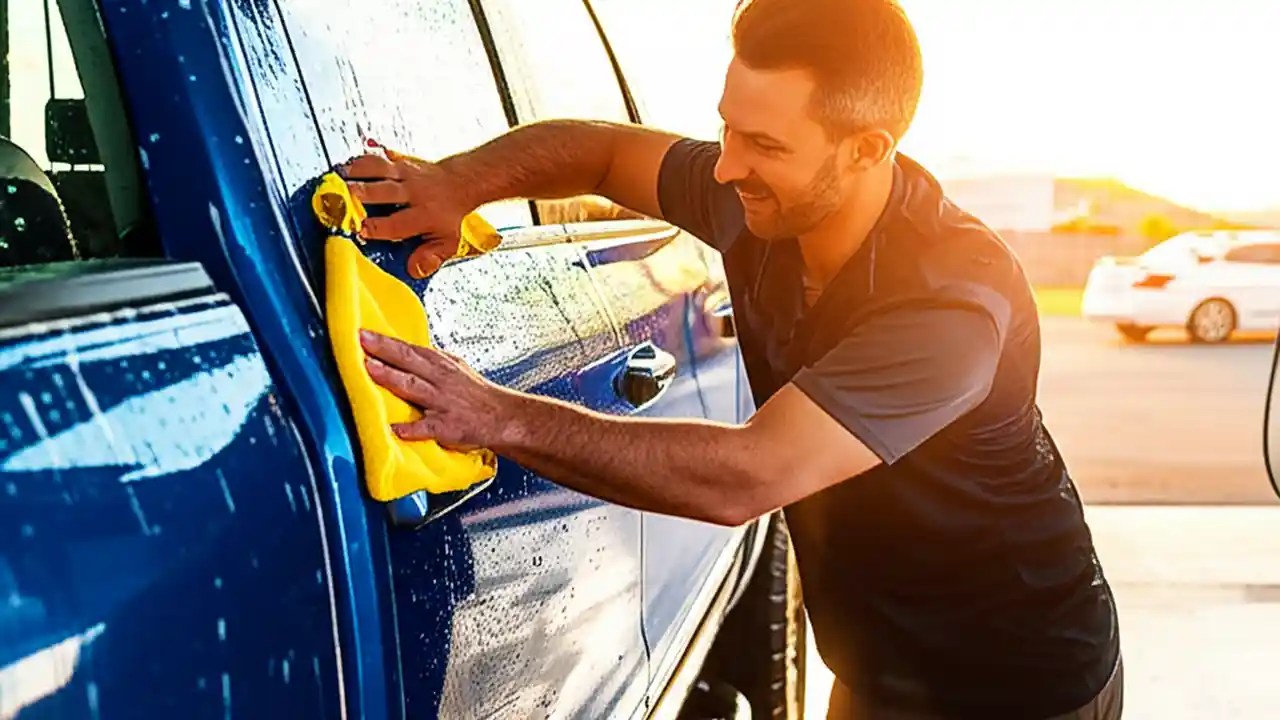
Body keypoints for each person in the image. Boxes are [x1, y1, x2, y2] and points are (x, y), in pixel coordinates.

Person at [340, 0, 1122, 717]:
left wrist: (501, 416)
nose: (725, 167)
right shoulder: (758, 197)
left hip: (1019, 683)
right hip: (878, 668)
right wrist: (457, 184)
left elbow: (748, 475)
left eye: (766, 144)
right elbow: (608, 155)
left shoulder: (949, 303)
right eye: (729, 130)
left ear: (867, 148)